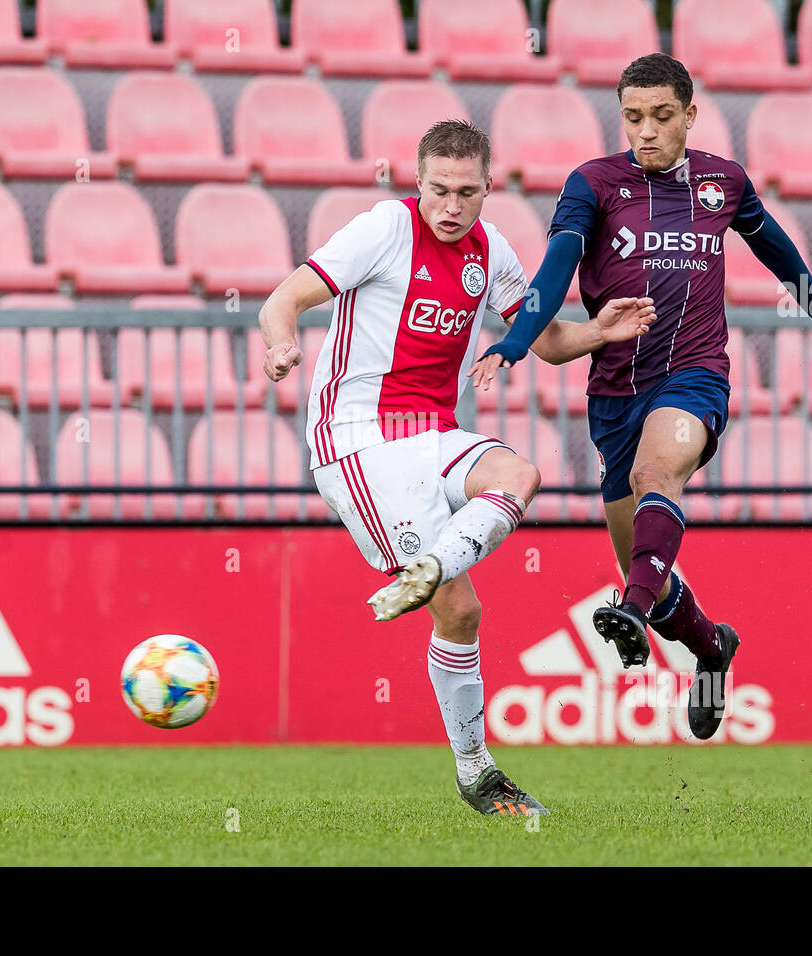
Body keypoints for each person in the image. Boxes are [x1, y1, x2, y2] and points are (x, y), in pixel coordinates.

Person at [259, 120, 655, 814]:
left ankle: (435, 585)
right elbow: (282, 299)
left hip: (434, 433)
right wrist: (281, 346)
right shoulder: (384, 228)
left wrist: (600, 330)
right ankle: (475, 767)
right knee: (463, 608)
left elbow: (548, 339)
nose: (450, 206)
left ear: (485, 189)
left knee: (520, 479)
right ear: (417, 183)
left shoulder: (490, 248)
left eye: (466, 192)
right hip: (357, 439)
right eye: (438, 190)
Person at [471, 53, 812, 741]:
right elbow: (556, 268)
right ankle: (711, 649)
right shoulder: (593, 184)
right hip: (615, 393)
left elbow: (778, 252)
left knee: (659, 476)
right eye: (631, 117)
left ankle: (632, 608)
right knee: (644, 572)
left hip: (695, 376)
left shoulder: (724, 183)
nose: (644, 131)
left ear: (689, 114)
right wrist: (515, 338)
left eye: (659, 116)